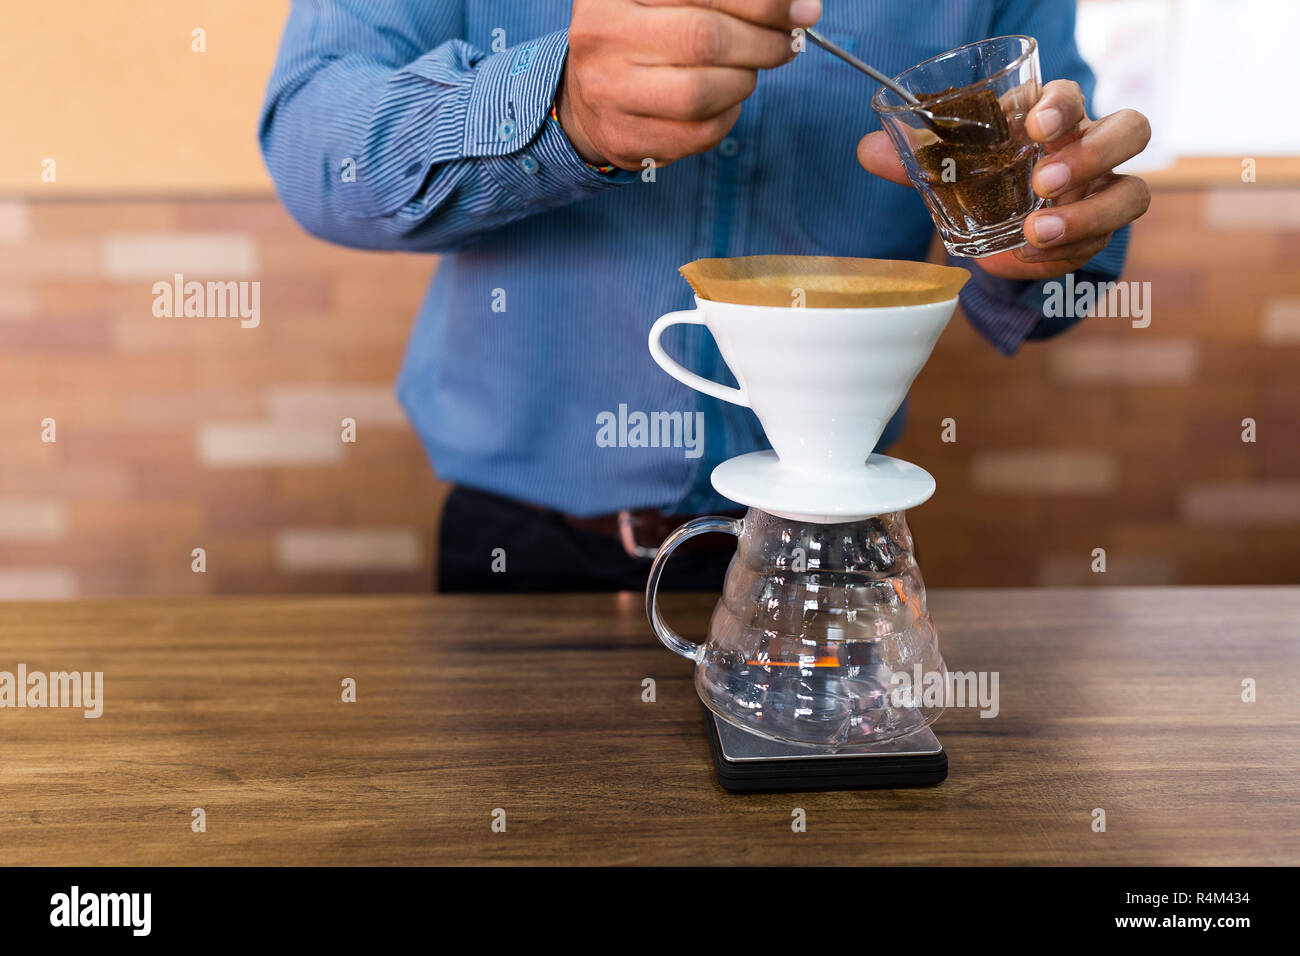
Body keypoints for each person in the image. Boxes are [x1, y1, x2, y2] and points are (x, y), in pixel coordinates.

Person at [259, 0, 1151, 592]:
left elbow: (1058, 288)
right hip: (520, 557)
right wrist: (559, 105)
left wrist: (1044, 243)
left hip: (829, 555)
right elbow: (311, 142)